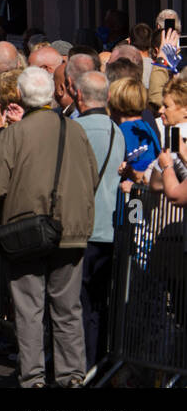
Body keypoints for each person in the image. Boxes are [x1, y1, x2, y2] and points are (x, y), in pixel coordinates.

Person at [0, 66, 98, 388]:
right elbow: (92, 176)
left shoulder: (14, 134)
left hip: (25, 230)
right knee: (67, 308)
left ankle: (33, 378)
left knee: (29, 308)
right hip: (71, 228)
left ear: (20, 96)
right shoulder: (75, 130)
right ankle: (73, 376)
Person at [72, 70, 125, 370]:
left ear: (79, 95)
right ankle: (96, 367)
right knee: (97, 306)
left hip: (80, 229)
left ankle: (80, 368)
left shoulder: (75, 129)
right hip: (108, 230)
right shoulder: (117, 130)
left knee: (76, 306)